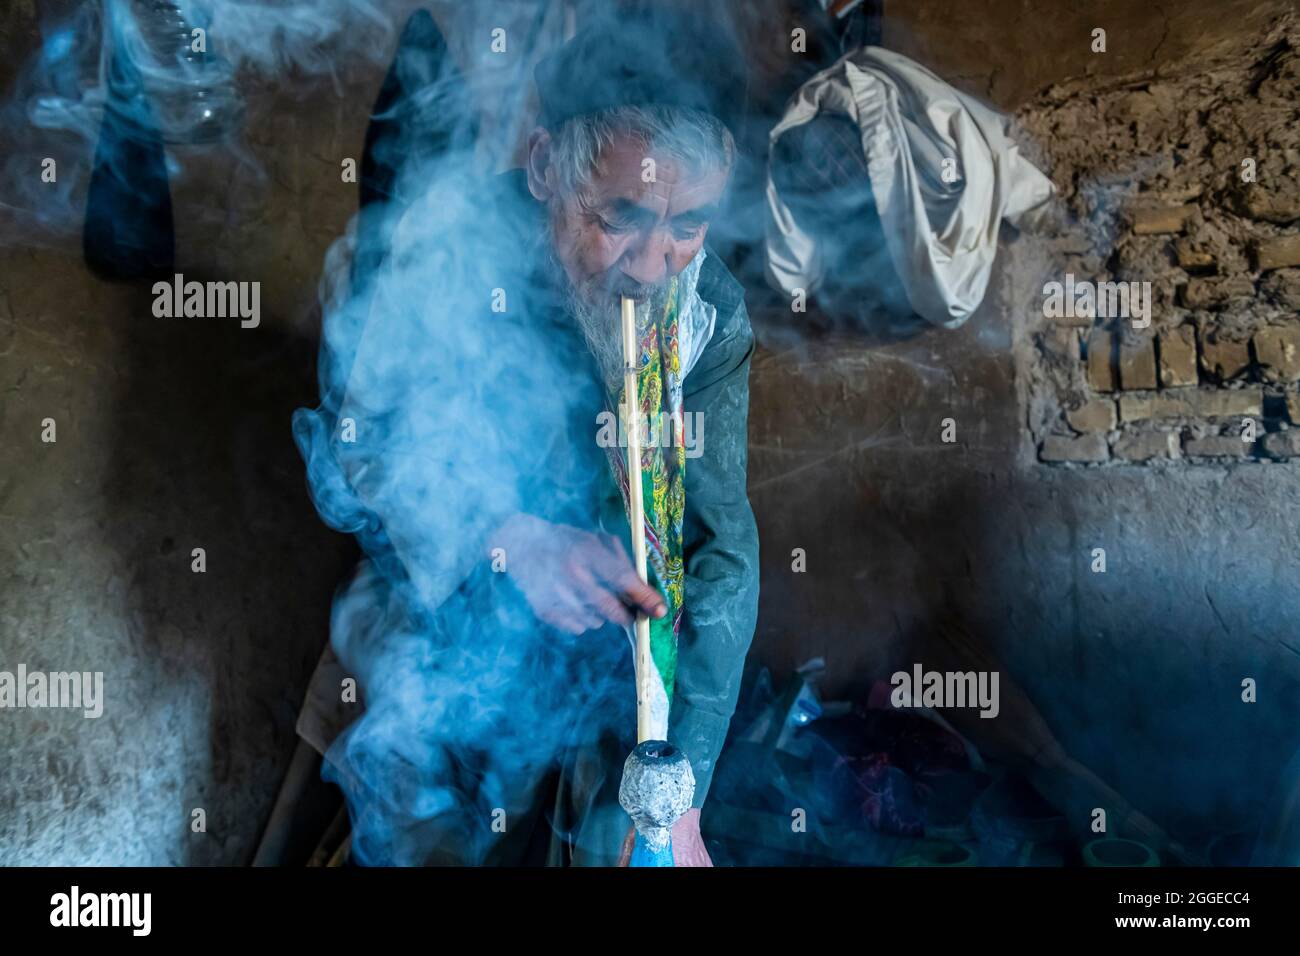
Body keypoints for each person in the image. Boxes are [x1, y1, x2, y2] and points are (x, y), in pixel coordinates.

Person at [292, 10, 758, 866]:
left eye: (687, 226)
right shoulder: (445, 251)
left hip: (622, 667)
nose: (653, 265)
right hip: (441, 624)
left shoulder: (707, 317)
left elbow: (719, 544)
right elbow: (358, 447)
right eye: (619, 217)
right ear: (546, 166)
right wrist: (507, 539)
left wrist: (681, 780)